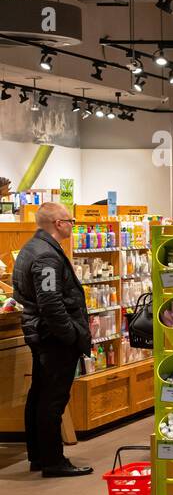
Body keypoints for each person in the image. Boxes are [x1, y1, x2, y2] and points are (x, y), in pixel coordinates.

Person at [12, 202, 93, 476]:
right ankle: (52, 461)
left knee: (39, 394)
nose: (73, 225)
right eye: (71, 221)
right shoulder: (46, 255)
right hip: (53, 338)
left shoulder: (32, 248)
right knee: (52, 399)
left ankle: (39, 455)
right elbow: (50, 301)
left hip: (43, 334)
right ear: (59, 223)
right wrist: (69, 335)